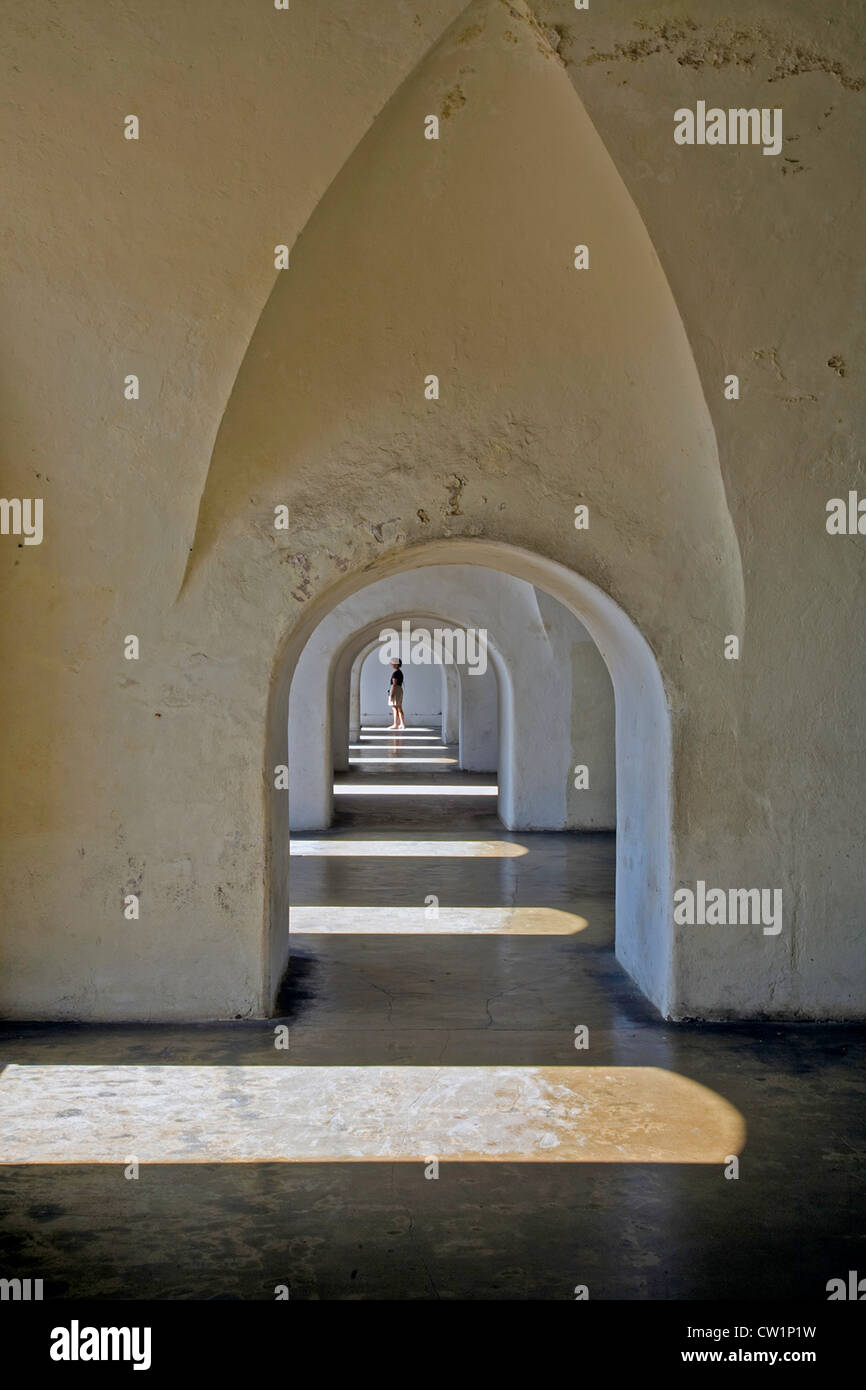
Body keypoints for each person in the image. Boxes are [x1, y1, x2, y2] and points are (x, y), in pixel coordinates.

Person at [387, 658, 406, 730]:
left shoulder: (396, 673)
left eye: (393, 663)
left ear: (397, 664)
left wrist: (391, 695)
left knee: (395, 708)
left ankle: (396, 724)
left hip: (396, 690)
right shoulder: (400, 672)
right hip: (399, 690)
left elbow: (394, 684)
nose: (391, 665)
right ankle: (402, 724)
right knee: (399, 707)